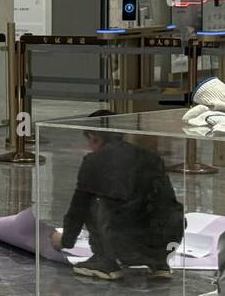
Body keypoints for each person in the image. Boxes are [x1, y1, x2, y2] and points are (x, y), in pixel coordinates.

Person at [50, 110, 183, 281]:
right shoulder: (152, 157)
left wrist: (65, 241)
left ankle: (104, 260)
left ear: (93, 137)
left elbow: (79, 208)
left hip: (123, 244)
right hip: (165, 242)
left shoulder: (94, 161)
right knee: (153, 201)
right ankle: (159, 263)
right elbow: (167, 201)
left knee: (94, 201)